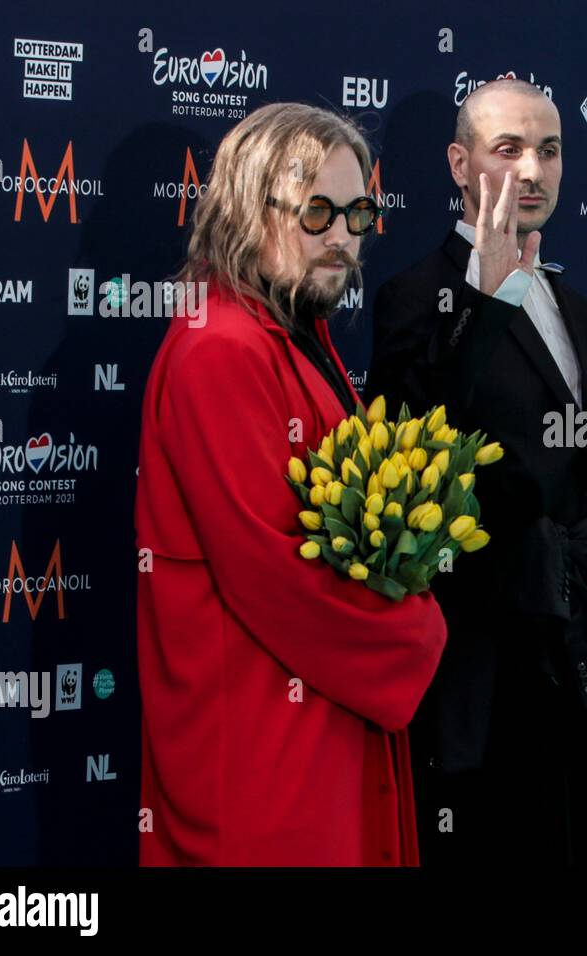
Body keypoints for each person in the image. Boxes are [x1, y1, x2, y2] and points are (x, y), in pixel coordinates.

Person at [365, 79, 587, 865]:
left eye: (550, 150)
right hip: (490, 671)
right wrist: (485, 302)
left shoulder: (583, 312)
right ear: (459, 165)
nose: (533, 170)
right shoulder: (412, 296)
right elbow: (405, 456)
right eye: (509, 150)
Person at [136, 103, 446, 866]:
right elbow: (274, 574)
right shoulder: (224, 349)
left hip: (314, 729)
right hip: (262, 753)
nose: (342, 237)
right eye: (316, 213)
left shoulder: (292, 331)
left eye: (358, 214)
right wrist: (417, 630)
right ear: (249, 210)